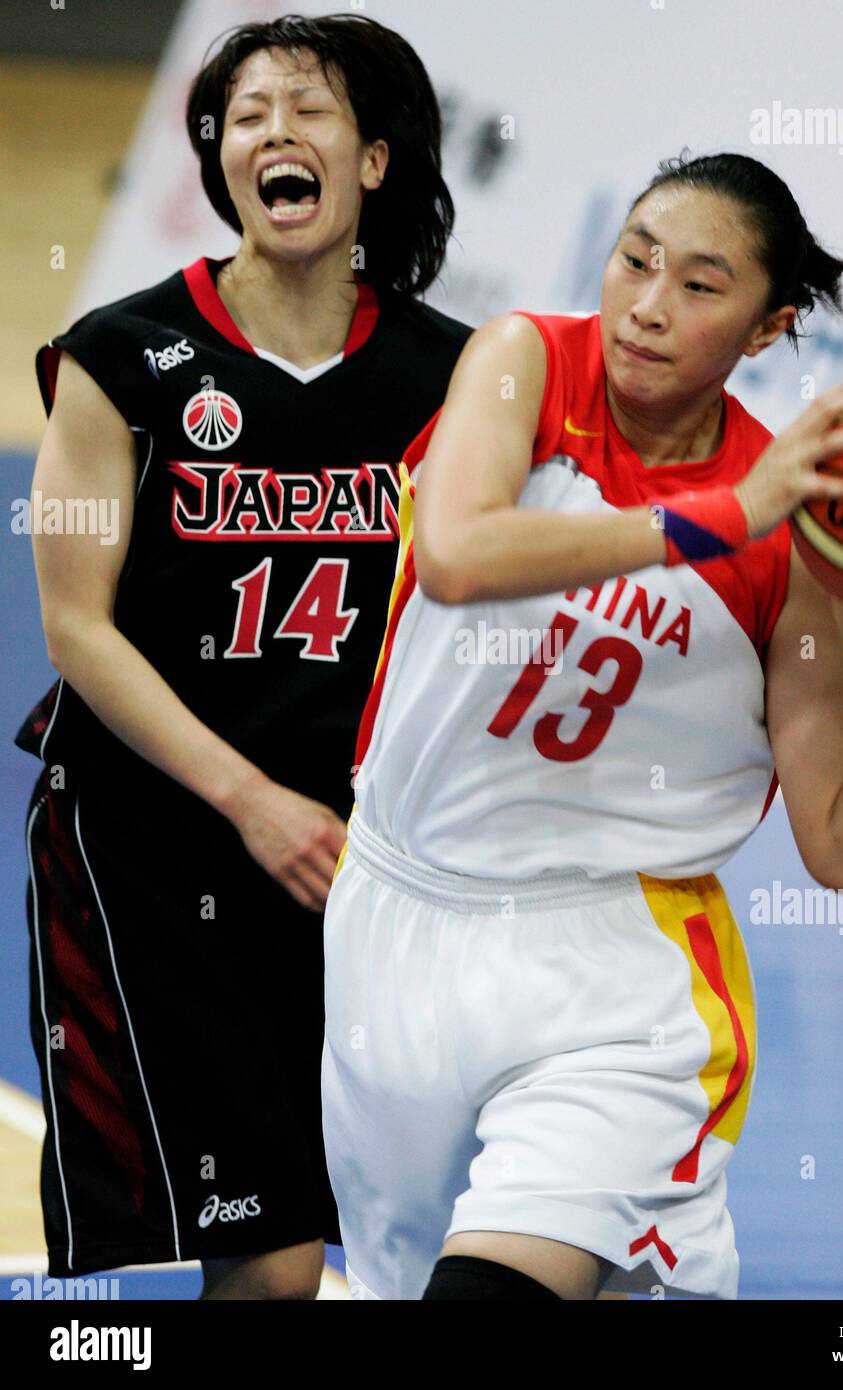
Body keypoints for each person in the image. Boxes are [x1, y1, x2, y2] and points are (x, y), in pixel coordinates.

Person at [320, 151, 843, 1301]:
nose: (647, 305)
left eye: (700, 285)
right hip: (394, 917)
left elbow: (841, 847)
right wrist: (715, 518)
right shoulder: (526, 365)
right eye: (635, 259)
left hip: (613, 975)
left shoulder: (791, 539)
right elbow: (455, 554)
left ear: (768, 327)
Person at [16, 13, 471, 1299]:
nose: (274, 134)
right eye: (247, 115)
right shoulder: (120, 357)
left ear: (375, 160)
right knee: (265, 1257)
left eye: (308, 110)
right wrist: (248, 799)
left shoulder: (456, 375)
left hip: (358, 851)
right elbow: (73, 628)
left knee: (396, 1235)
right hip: (157, 839)